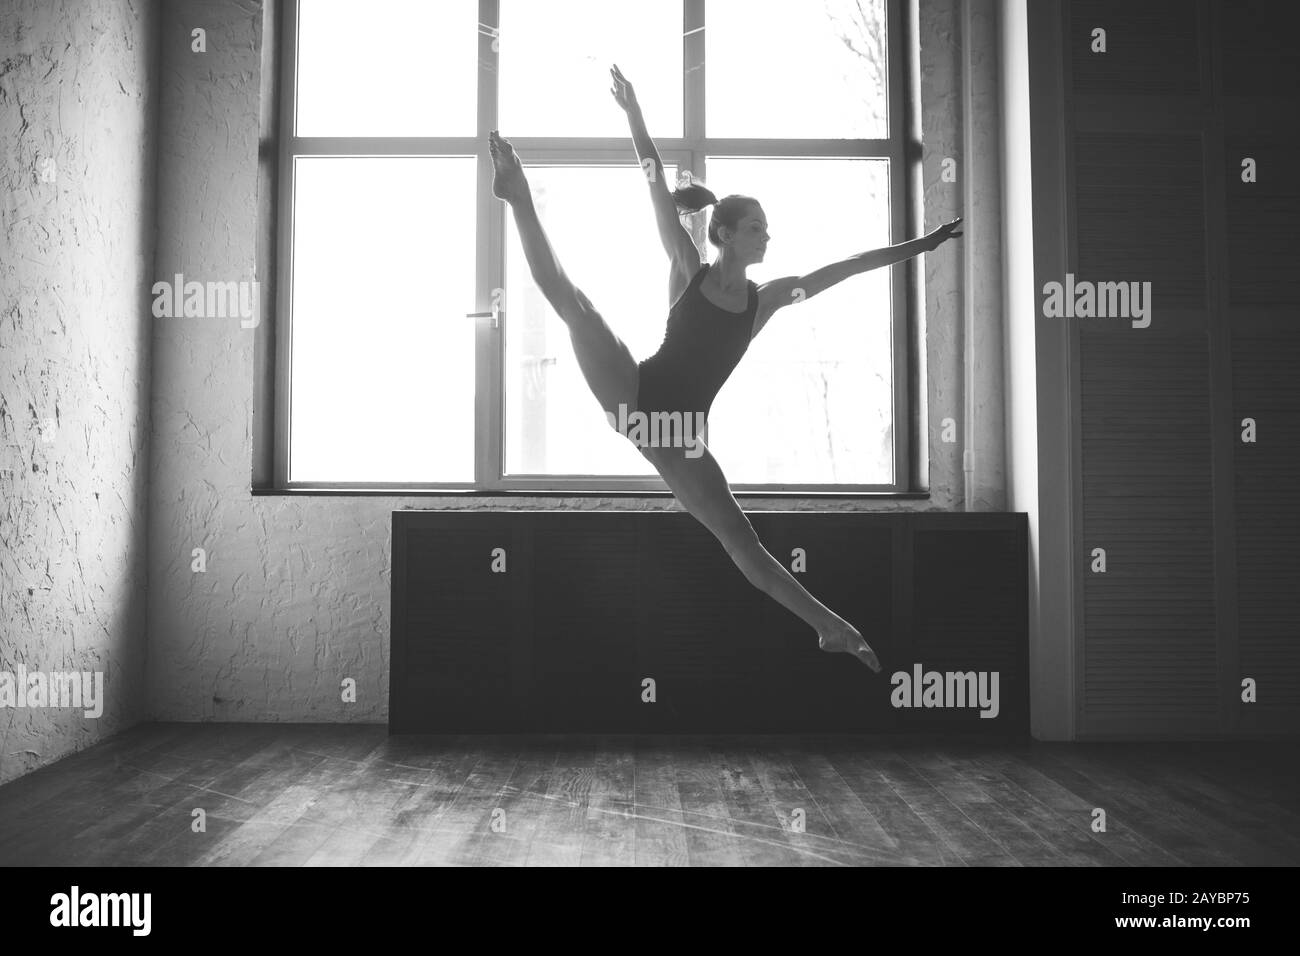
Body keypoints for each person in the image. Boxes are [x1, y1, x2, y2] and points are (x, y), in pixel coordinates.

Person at [486, 65, 962, 672]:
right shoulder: (689, 268)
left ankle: (832, 628)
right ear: (727, 236)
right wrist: (633, 114)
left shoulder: (764, 302)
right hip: (636, 394)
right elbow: (654, 183)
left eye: (766, 226)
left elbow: (847, 265)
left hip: (678, 435)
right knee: (573, 302)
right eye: (757, 227)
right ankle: (517, 194)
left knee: (743, 541)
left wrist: (920, 246)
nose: (767, 235)